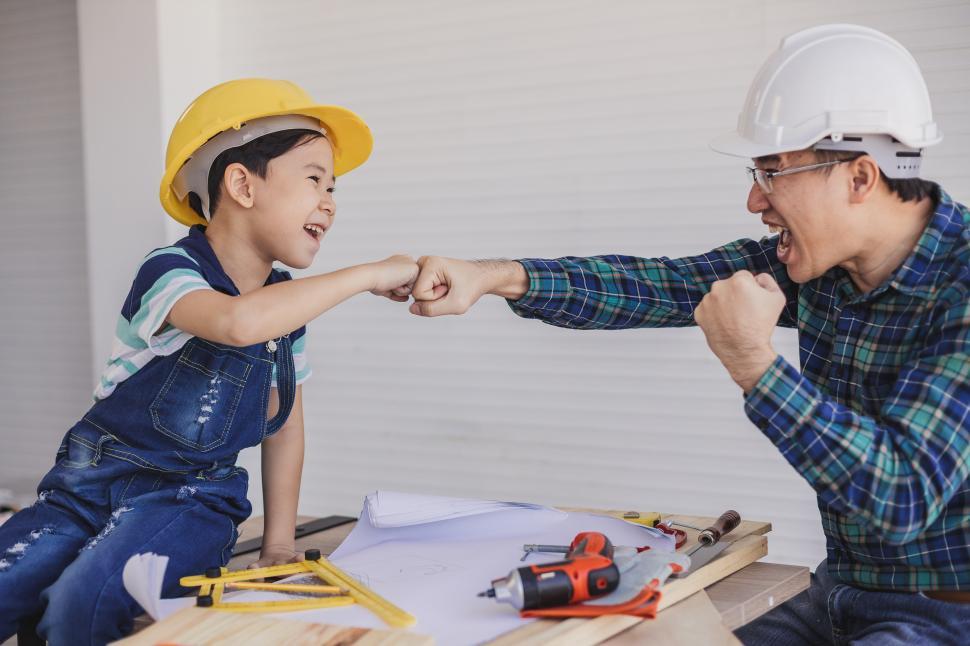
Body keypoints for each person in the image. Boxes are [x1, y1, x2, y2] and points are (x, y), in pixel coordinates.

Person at [409, 25, 969, 643]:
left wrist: (754, 363)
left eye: (773, 172)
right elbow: (661, 284)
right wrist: (496, 276)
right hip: (836, 589)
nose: (756, 201)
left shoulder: (961, 289)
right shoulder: (823, 269)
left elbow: (902, 498)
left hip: (947, 614)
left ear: (859, 178)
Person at [0, 78, 418, 645]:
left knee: (81, 599)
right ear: (242, 184)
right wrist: (369, 274)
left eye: (334, 188)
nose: (330, 202)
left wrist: (277, 545)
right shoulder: (170, 272)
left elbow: (285, 426)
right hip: (86, 489)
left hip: (188, 501)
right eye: (315, 179)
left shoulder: (286, 308)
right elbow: (235, 322)